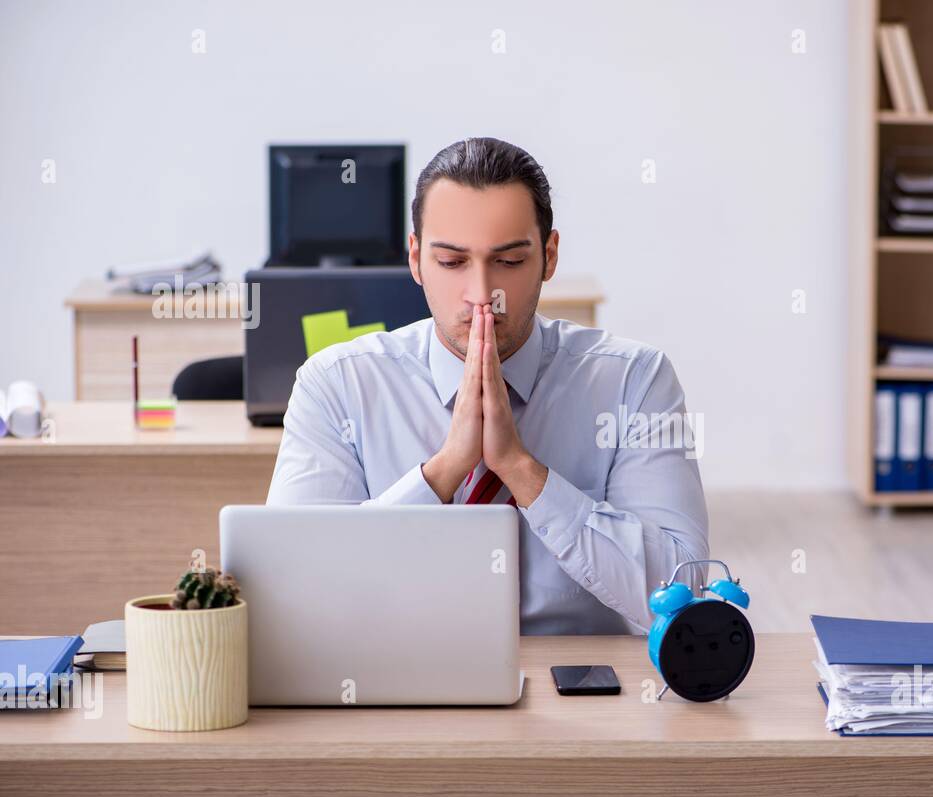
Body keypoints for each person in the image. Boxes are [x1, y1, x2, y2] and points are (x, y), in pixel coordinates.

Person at [266, 136, 708, 635]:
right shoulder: (337, 385)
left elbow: (683, 593)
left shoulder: (634, 380)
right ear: (415, 260)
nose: (482, 295)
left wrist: (524, 474)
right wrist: (444, 471)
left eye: (510, 262)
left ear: (549, 255)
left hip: (576, 683)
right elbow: (299, 588)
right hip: (399, 674)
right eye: (452, 263)